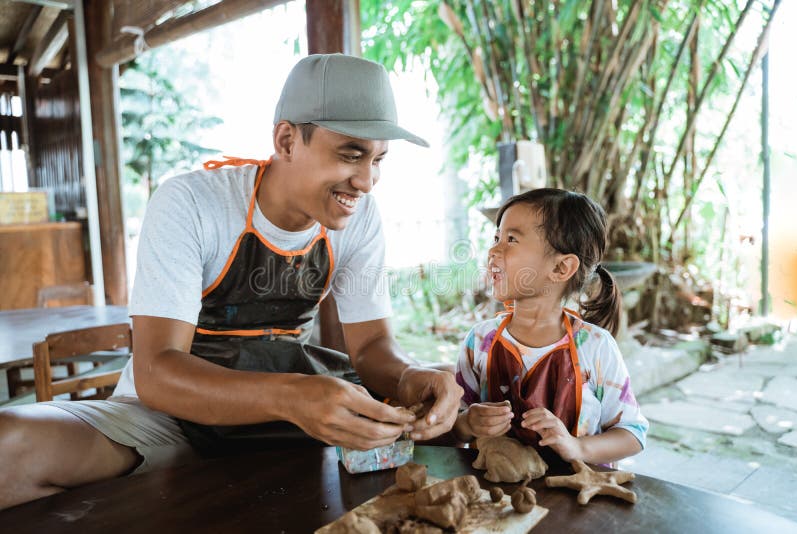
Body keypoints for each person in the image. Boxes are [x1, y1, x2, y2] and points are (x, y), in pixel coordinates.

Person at [0, 54, 462, 510]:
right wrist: (295, 396)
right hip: (172, 419)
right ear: (286, 140)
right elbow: (157, 372)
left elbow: (370, 348)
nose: (367, 181)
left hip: (290, 423)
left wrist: (408, 376)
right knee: (8, 447)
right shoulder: (191, 203)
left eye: (380, 159)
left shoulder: (359, 219)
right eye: (351, 155)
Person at [451, 188, 648, 465]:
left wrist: (577, 447)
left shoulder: (596, 347)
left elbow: (632, 434)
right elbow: (452, 425)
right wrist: (467, 424)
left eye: (511, 239)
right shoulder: (480, 341)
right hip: (496, 499)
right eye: (496, 238)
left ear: (561, 268)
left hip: (577, 502)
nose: (493, 250)